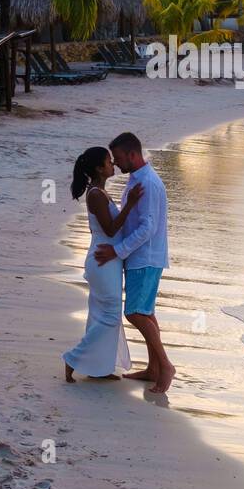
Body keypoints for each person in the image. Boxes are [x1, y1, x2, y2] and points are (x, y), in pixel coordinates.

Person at [94, 131, 175, 394]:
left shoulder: (148, 183)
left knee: (135, 313)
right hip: (143, 257)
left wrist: (118, 251)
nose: (115, 164)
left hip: (145, 257)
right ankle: (154, 368)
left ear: (132, 154)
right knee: (146, 312)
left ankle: (166, 366)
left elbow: (147, 228)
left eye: (118, 158)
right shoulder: (137, 180)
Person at [62, 147, 143, 383]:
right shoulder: (96, 194)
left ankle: (98, 367)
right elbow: (110, 228)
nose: (114, 165)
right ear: (99, 168)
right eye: (109, 161)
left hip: (108, 259)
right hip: (102, 260)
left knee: (101, 314)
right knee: (110, 314)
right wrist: (130, 204)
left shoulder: (100, 192)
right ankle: (73, 358)